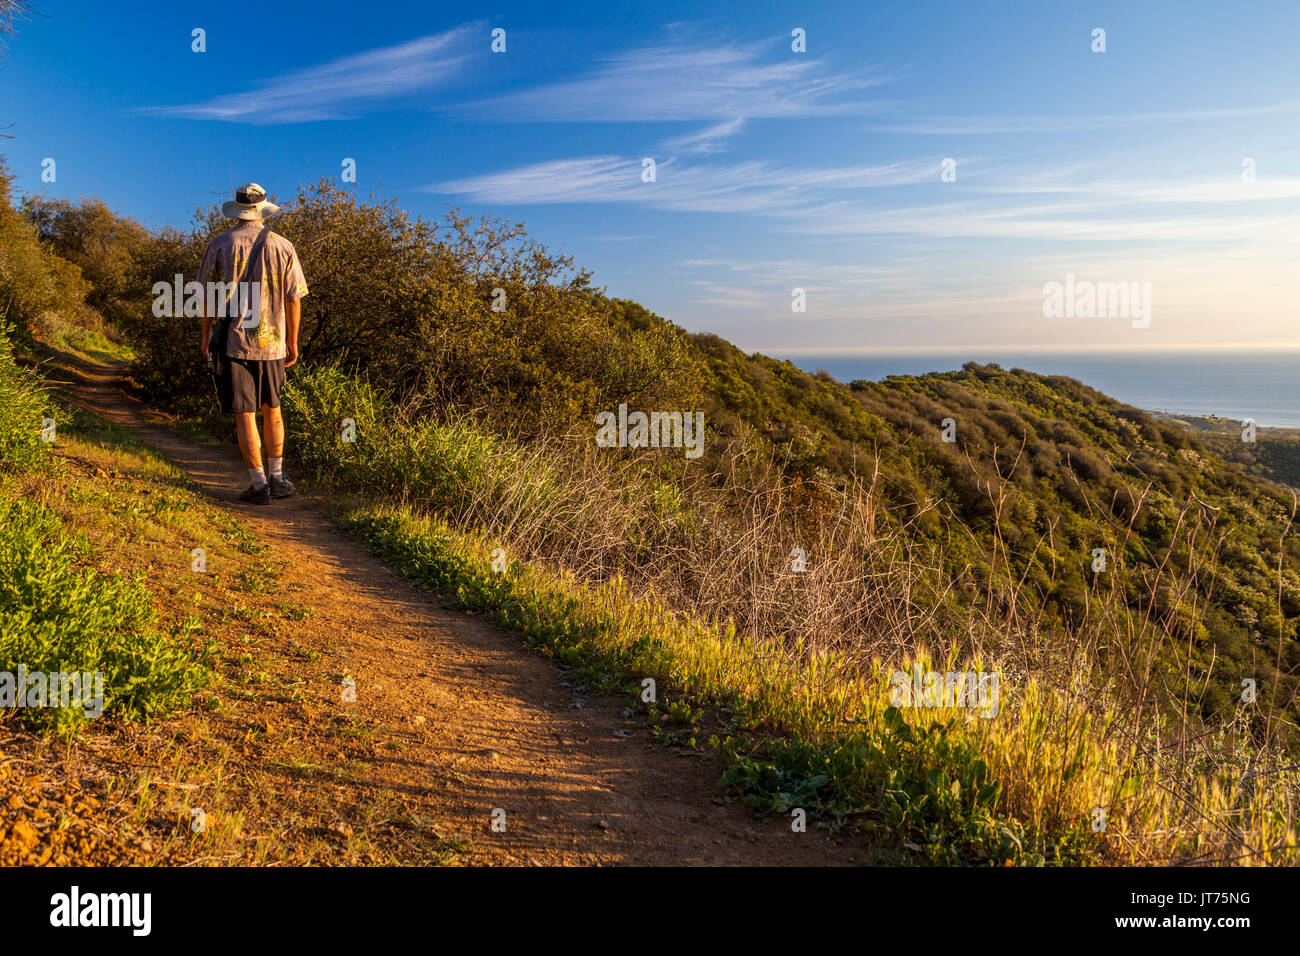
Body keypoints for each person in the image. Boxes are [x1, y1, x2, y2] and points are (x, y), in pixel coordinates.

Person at [198, 183, 308, 504]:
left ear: (237, 209)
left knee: (244, 413)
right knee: (272, 409)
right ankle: (278, 477)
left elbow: (204, 295)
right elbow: (294, 299)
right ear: (262, 210)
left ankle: (258, 485)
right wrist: (292, 340)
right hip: (273, 343)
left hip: (234, 343)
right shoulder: (284, 246)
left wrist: (205, 335)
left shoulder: (219, 244)